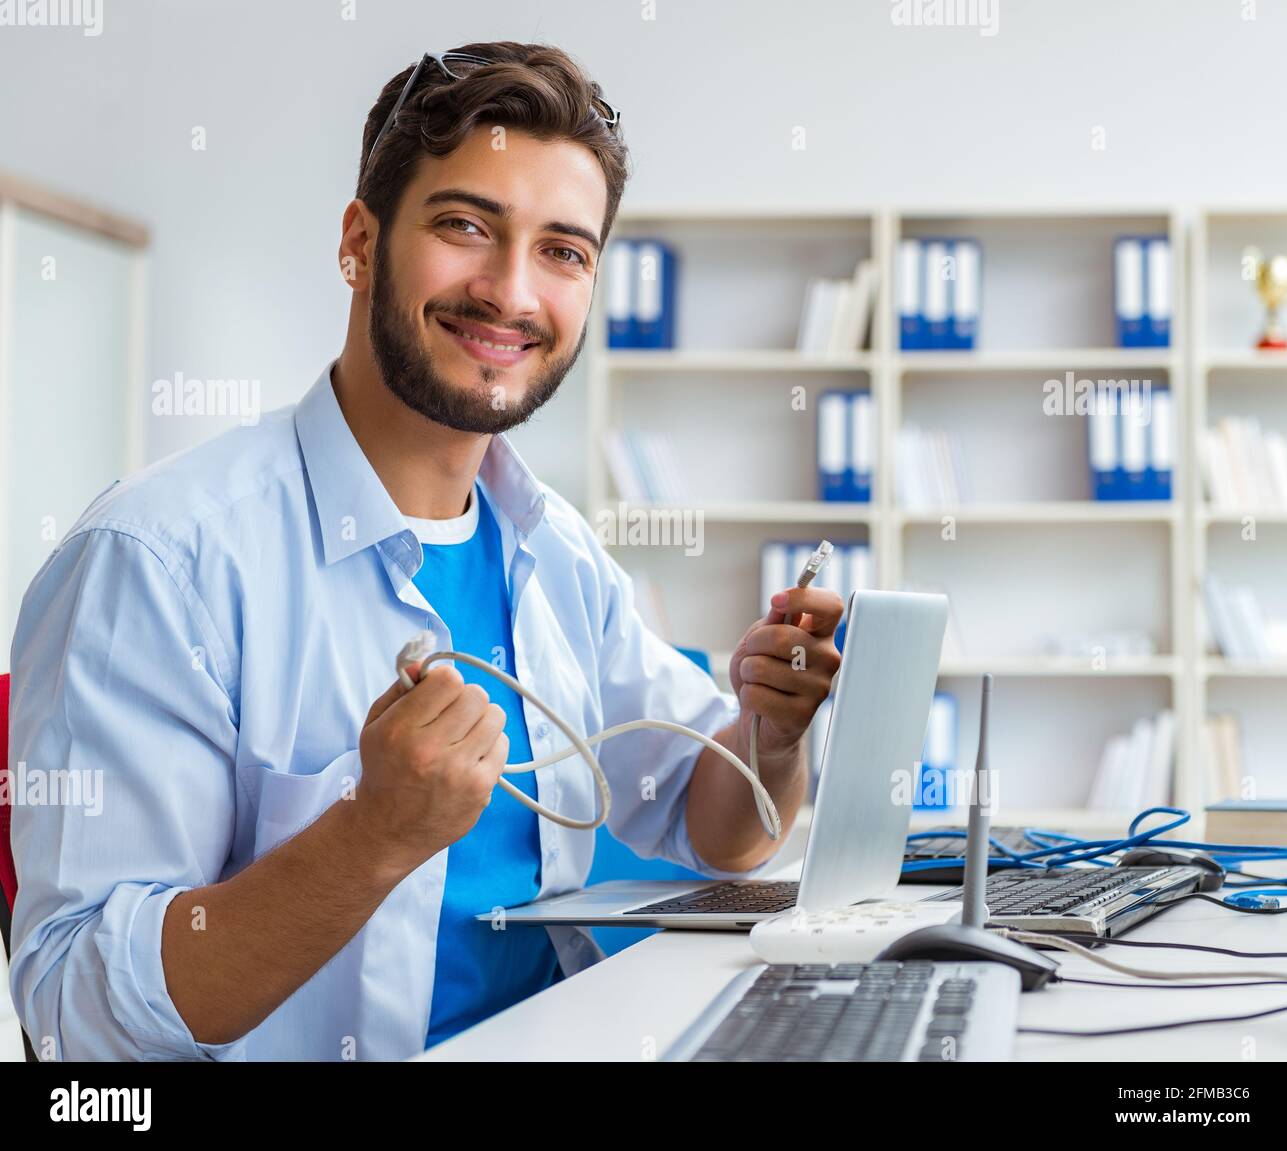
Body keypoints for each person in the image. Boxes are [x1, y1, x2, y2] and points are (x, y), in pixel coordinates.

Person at [7, 40, 842, 1061]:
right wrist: (372, 834)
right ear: (359, 243)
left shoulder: (557, 553)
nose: (510, 291)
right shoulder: (156, 558)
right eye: (464, 225)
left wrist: (772, 730)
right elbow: (75, 1011)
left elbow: (720, 825)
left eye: (562, 251)